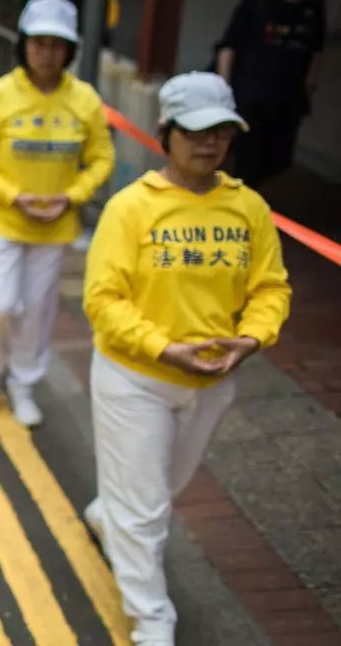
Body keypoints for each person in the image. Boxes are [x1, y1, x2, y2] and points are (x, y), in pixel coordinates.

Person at [83, 72, 291, 646]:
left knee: (158, 491)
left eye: (222, 132)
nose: (210, 144)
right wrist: (164, 348)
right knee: (148, 512)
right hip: (136, 380)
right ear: (165, 134)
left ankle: (110, 517)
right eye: (197, 132)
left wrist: (251, 339)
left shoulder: (248, 207)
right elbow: (102, 300)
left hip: (211, 383)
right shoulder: (131, 208)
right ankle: (153, 620)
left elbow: (270, 287)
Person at [0, 0, 113, 426]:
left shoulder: (85, 101)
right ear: (24, 44)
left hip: (55, 227)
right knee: (1, 303)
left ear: (70, 50)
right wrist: (12, 195)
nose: (47, 53)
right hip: (1, 221)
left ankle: (24, 384)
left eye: (57, 45)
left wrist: (72, 196)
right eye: (39, 42)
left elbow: (101, 159)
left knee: (38, 310)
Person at [216, 0, 326, 188]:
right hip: (251, 96)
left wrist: (310, 83)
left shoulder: (313, 8)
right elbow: (228, 44)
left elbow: (317, 49)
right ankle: (239, 208)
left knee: (278, 161)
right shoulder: (257, 0)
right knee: (246, 161)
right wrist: (224, 87)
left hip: (288, 102)